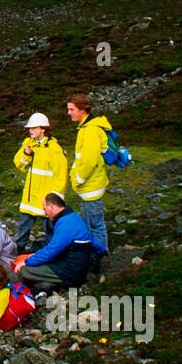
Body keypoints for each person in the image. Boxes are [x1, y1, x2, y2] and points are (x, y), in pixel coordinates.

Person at [15, 193, 107, 293]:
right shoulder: (73, 217)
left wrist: (26, 262)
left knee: (24, 271)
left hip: (70, 273)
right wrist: (102, 252)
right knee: (38, 260)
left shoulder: (65, 225)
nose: (44, 212)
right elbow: (93, 241)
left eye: (45, 208)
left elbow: (51, 251)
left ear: (51, 207)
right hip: (74, 267)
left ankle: (50, 285)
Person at [12, 112, 68, 251]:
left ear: (43, 129)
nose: (30, 130)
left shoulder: (54, 149)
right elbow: (19, 164)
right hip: (30, 199)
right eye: (29, 128)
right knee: (23, 229)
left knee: (49, 231)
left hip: (45, 201)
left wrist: (54, 200)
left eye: (33, 128)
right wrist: (27, 154)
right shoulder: (28, 144)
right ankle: (18, 253)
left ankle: (51, 253)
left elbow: (61, 175)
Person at [67, 93, 113, 253]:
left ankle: (99, 257)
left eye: (72, 109)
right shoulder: (86, 128)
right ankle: (98, 254)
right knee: (94, 223)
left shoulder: (91, 131)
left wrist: (78, 179)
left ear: (83, 110)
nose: (69, 113)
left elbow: (89, 160)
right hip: (91, 186)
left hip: (91, 187)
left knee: (94, 226)